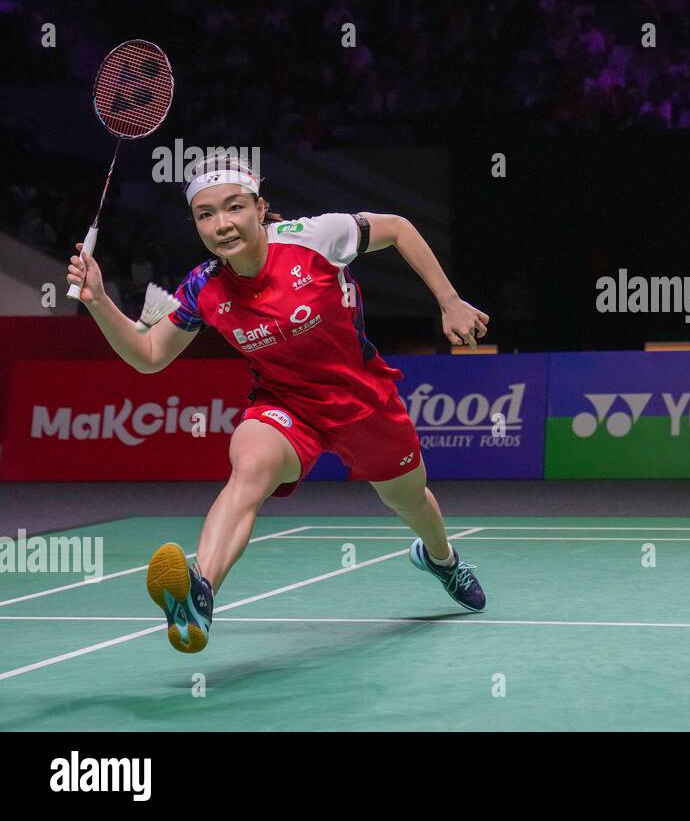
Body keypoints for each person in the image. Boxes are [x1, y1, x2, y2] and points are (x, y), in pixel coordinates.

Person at [65, 157, 490, 653]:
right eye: (205, 215)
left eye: (234, 208)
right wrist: (97, 300)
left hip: (362, 402)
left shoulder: (315, 238)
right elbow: (150, 354)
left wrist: (449, 300)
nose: (221, 224)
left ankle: (441, 560)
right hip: (285, 405)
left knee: (409, 500)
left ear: (260, 208)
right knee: (250, 468)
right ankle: (199, 590)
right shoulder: (205, 287)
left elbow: (396, 228)